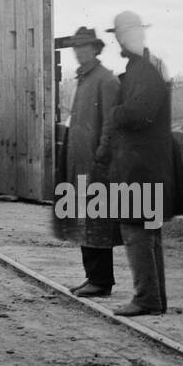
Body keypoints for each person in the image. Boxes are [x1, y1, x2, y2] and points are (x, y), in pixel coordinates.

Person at [105, 10, 177, 316]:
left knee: (135, 230)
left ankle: (146, 298)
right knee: (147, 231)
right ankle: (153, 298)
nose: (121, 41)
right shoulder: (144, 68)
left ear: (133, 36)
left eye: (123, 35)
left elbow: (140, 113)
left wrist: (115, 113)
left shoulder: (144, 71)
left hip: (142, 166)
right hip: (146, 164)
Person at [58, 26, 121, 297]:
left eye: (84, 47)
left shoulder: (105, 80)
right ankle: (92, 276)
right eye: (75, 48)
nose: (78, 52)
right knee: (85, 221)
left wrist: (102, 158)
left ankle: (102, 281)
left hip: (96, 164)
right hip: (80, 162)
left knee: (98, 222)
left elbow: (111, 124)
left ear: (95, 49)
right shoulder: (84, 78)